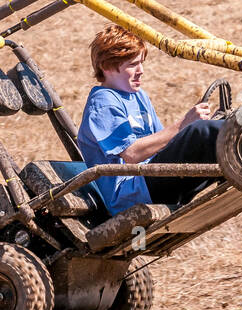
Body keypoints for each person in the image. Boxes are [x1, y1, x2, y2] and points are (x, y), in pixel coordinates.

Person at [76, 25, 223, 215]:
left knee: (207, 137)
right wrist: (185, 124)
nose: (141, 71)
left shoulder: (138, 95)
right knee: (201, 133)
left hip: (153, 177)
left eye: (141, 62)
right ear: (106, 67)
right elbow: (132, 154)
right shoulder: (103, 103)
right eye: (132, 64)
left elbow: (163, 143)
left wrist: (189, 126)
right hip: (131, 193)